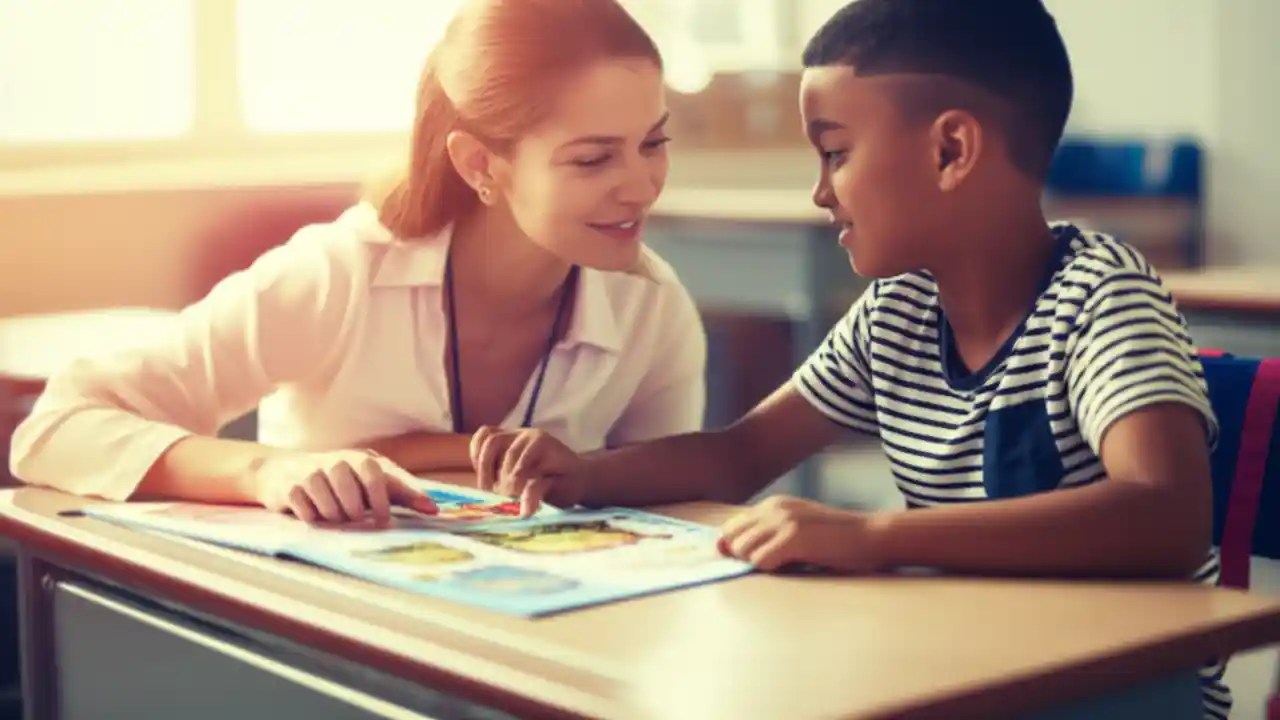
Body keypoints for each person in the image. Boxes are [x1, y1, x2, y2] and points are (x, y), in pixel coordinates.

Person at [467, 1, 1230, 716]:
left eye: (835, 154)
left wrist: (870, 537)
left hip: (1123, 695)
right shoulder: (898, 313)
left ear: (950, 150)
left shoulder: (1101, 296)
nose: (819, 192)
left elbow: (1167, 513)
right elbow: (741, 454)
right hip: (981, 670)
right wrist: (586, 473)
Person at [10, 0, 706, 529]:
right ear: (479, 165)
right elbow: (57, 428)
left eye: (654, 142)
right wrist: (267, 470)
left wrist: (433, 452)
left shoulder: (653, 307)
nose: (642, 184)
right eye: (592, 158)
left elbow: (671, 505)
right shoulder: (340, 274)